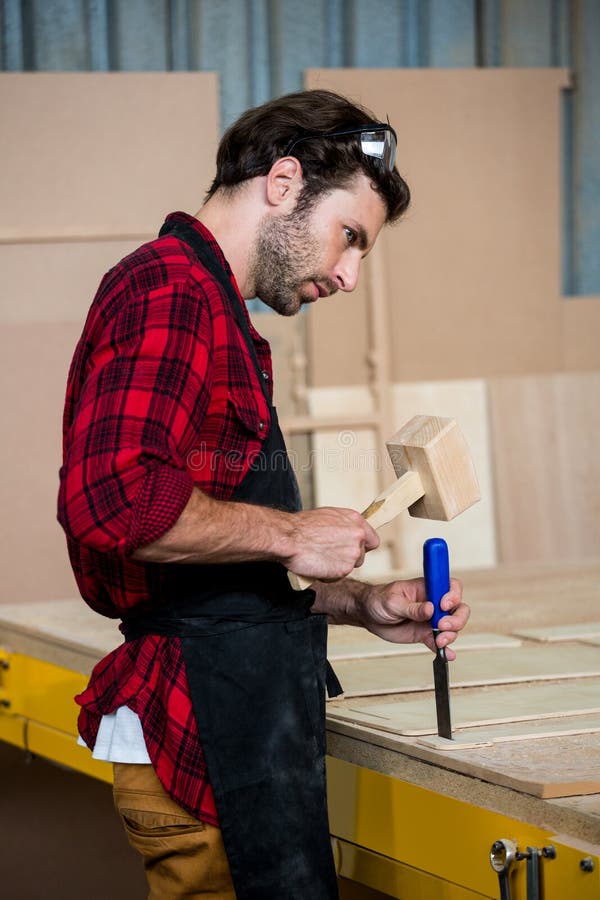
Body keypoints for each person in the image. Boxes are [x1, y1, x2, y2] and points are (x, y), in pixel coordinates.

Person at [58, 89, 469, 900]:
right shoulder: (171, 292)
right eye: (349, 237)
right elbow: (114, 499)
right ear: (284, 182)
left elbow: (208, 557)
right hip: (201, 744)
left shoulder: (223, 319)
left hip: (239, 729)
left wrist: (357, 603)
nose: (350, 275)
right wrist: (290, 535)